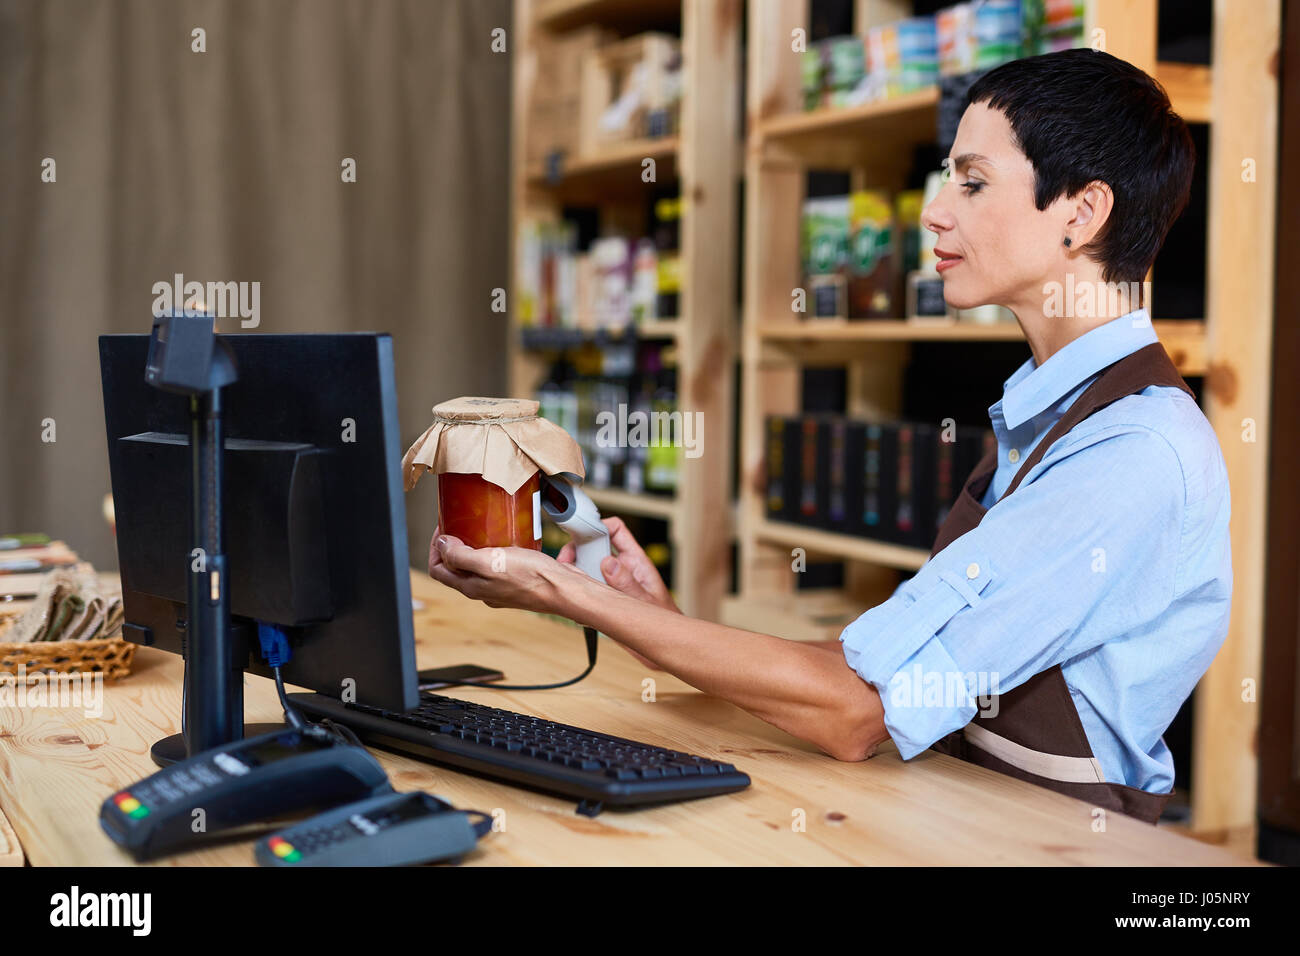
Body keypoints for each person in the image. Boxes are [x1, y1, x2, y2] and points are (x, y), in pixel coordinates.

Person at [429, 49, 1231, 824]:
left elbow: (858, 710)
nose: (934, 210)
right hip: (953, 815)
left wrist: (561, 592)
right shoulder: (1046, 412)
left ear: (1082, 212)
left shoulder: (1131, 454)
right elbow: (873, 659)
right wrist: (659, 620)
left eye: (973, 182)